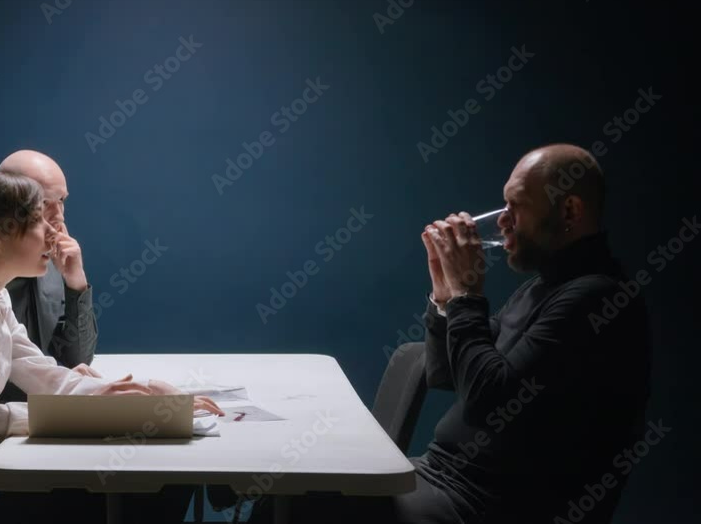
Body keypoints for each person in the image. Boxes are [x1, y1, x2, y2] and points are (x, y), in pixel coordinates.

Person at [277, 144, 652, 523]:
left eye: (516, 206)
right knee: (289, 490)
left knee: (298, 505)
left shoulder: (597, 299)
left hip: (483, 505)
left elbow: (490, 404)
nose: (503, 221)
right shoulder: (543, 287)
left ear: (570, 210)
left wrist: (465, 295)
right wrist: (445, 297)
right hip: (440, 474)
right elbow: (447, 373)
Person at [0, 171, 223, 523]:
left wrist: (127, 398)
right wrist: (98, 414)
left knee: (155, 484)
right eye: (38, 221)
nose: (54, 233)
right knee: (137, 493)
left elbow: (47, 376)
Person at [0, 149, 96, 370]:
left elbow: (77, 360)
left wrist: (76, 284)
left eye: (61, 200)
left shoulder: (51, 263)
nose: (59, 216)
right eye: (43, 203)